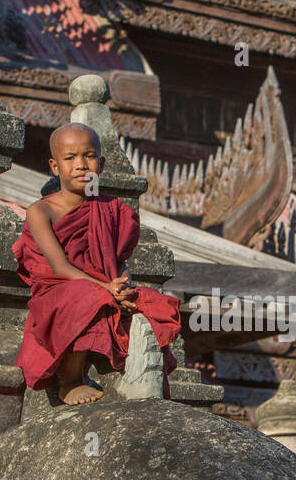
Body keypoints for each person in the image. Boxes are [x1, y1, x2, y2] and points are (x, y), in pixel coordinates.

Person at [11, 122, 180, 403]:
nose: (80, 165)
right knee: (87, 296)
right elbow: (59, 267)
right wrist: (105, 288)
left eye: (88, 156)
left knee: (156, 304)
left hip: (105, 286)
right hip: (61, 293)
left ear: (100, 164)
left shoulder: (113, 210)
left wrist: (123, 286)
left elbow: (118, 261)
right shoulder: (41, 211)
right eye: (70, 158)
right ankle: (70, 379)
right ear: (55, 166)